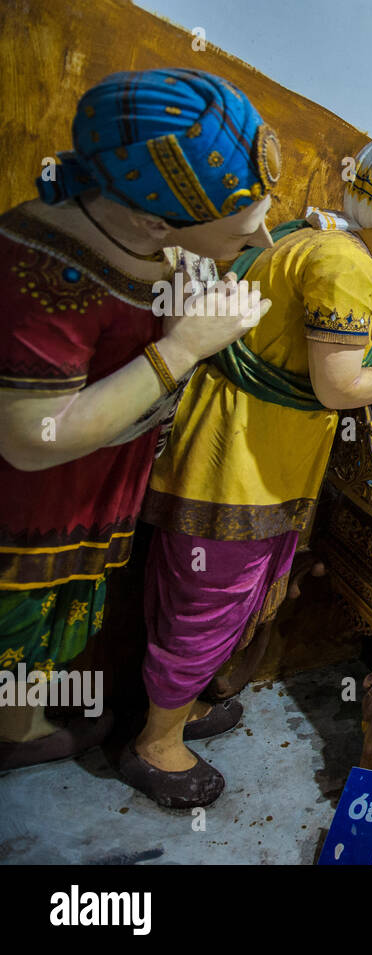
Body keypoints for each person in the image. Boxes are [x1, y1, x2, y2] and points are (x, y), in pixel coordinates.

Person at [125, 130, 372, 808]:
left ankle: (183, 709)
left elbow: (325, 359)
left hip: (262, 452)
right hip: (240, 460)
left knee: (228, 596)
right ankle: (154, 743)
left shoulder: (338, 249)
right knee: (208, 599)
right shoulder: (343, 261)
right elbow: (338, 385)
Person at [0, 68, 275, 770]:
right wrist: (182, 347)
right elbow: (32, 438)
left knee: (51, 625)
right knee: (16, 623)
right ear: (153, 218)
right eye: (245, 229)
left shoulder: (150, 247)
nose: (266, 242)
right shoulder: (43, 266)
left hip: (91, 500)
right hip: (29, 508)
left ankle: (16, 727)